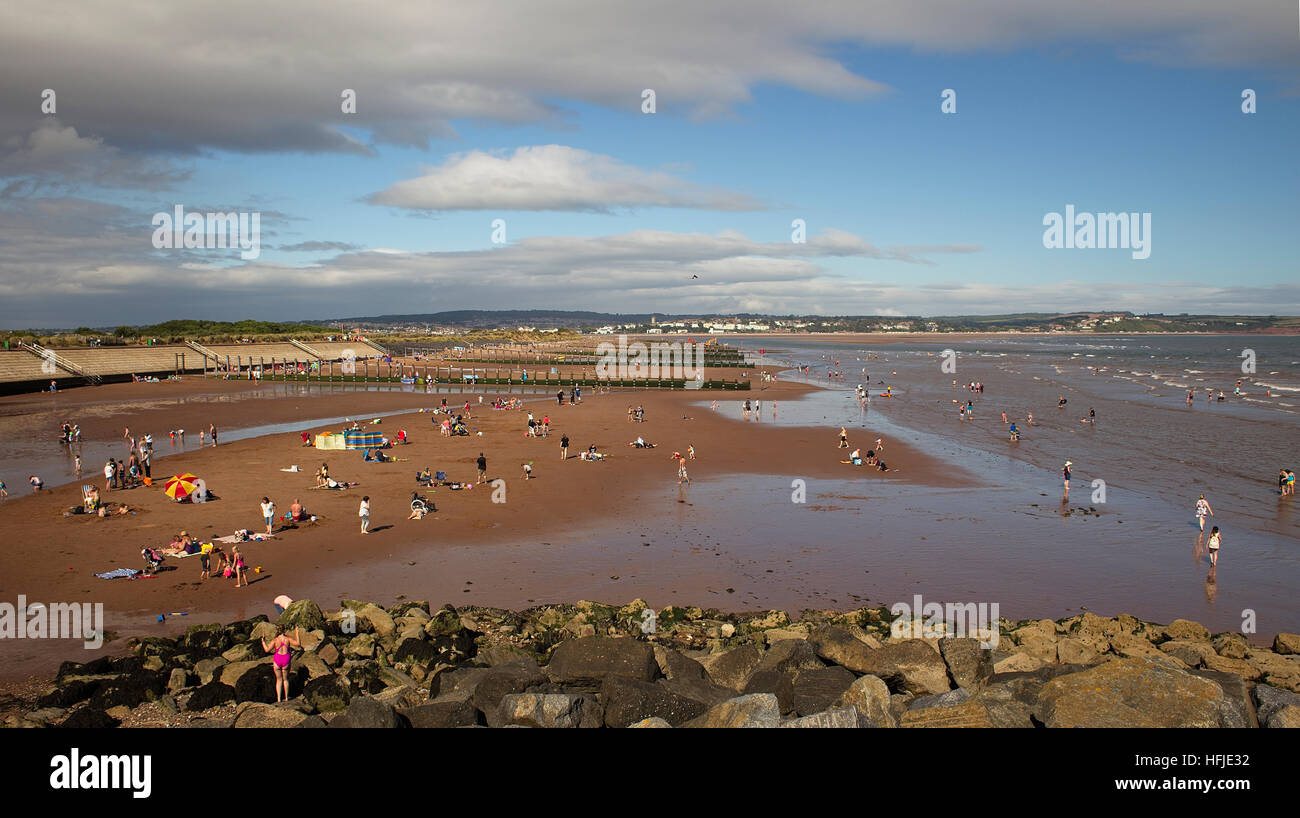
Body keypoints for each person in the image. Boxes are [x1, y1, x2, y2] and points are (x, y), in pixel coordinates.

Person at [261, 626, 301, 703]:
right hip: (286, 659)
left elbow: (267, 650)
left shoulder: (275, 640)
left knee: (278, 680)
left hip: (277, 660)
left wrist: (263, 641)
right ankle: (286, 698)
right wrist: (296, 632)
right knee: (285, 679)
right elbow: (298, 643)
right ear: (285, 630)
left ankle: (279, 699)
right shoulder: (288, 639)